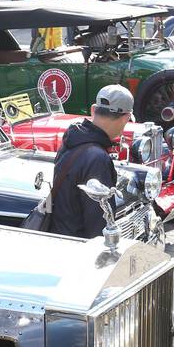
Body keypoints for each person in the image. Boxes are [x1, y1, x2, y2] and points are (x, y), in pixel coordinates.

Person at [49, 85, 134, 238]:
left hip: (60, 235)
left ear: (93, 109)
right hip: (79, 246)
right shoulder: (97, 158)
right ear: (126, 118)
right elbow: (98, 220)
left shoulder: (72, 140)